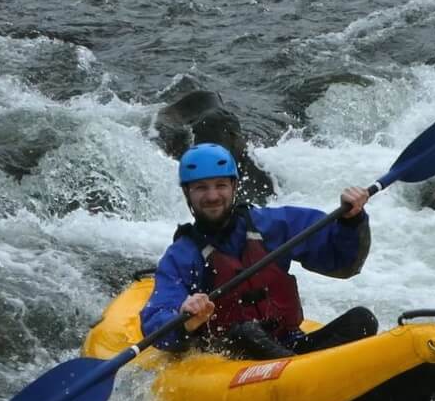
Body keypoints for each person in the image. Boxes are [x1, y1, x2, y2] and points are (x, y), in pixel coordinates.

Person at [140, 142, 379, 359]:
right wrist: (185, 319)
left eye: (220, 185)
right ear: (187, 193)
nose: (212, 196)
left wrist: (351, 221)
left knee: (362, 320)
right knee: (247, 333)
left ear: (234, 186)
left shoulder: (272, 225)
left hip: (288, 343)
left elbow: (342, 262)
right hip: (231, 357)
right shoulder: (182, 255)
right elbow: (156, 319)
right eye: (201, 188)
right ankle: (297, 374)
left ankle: (300, 371)